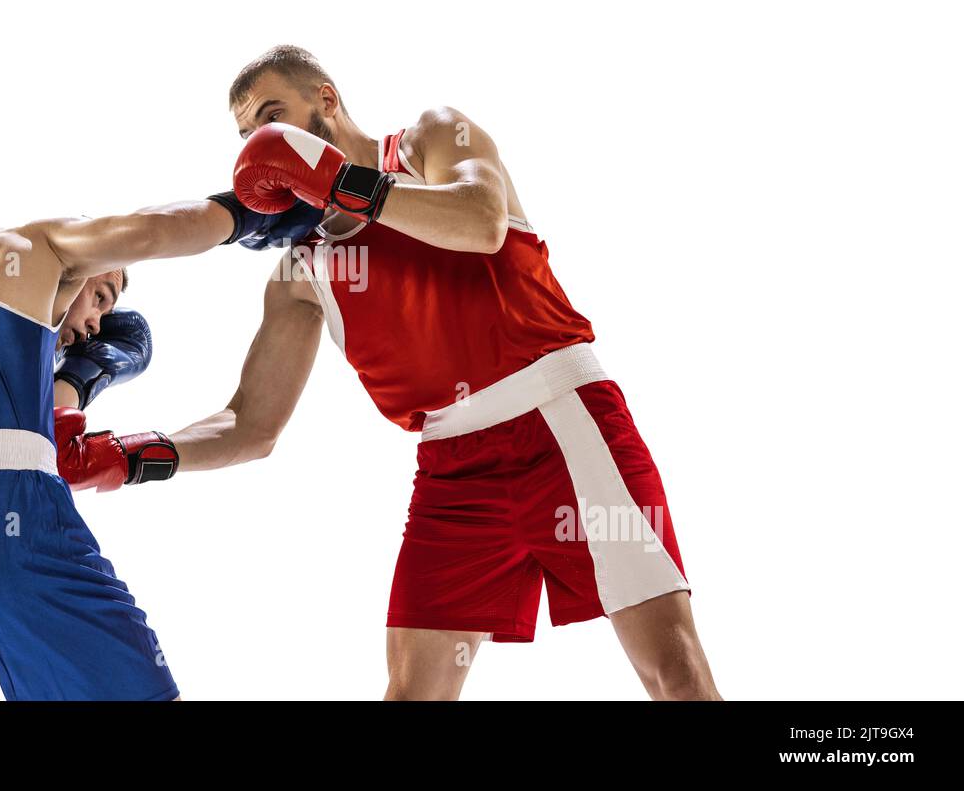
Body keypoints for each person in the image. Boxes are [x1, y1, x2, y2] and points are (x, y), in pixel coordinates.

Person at [75, 46, 722, 700]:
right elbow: (249, 422)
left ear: (326, 99)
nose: (262, 144)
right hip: (452, 468)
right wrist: (132, 457)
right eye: (249, 136)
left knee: (676, 673)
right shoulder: (304, 268)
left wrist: (341, 182)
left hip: (562, 418)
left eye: (272, 118)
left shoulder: (431, 139)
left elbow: (482, 221)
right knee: (411, 691)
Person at [0, 190, 320, 700]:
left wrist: (79, 381)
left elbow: (5, 439)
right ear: (83, 261)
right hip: (14, 519)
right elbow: (149, 231)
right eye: (102, 295)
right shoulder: (31, 246)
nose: (98, 323)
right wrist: (249, 213)